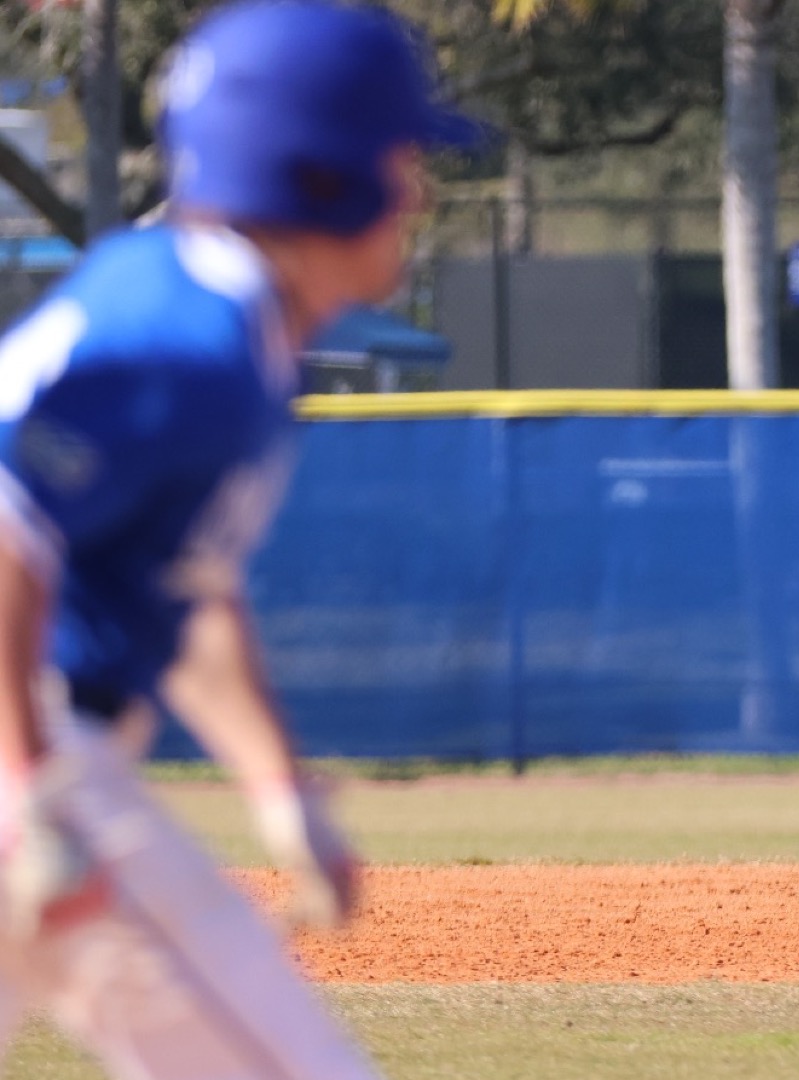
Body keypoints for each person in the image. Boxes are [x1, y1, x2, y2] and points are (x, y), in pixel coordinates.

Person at [0, 2, 483, 1076]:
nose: (416, 191)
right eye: (398, 157)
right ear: (323, 176)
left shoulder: (208, 312)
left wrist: (279, 790)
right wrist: (25, 785)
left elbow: (190, 585)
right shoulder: (191, 341)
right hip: (33, 753)